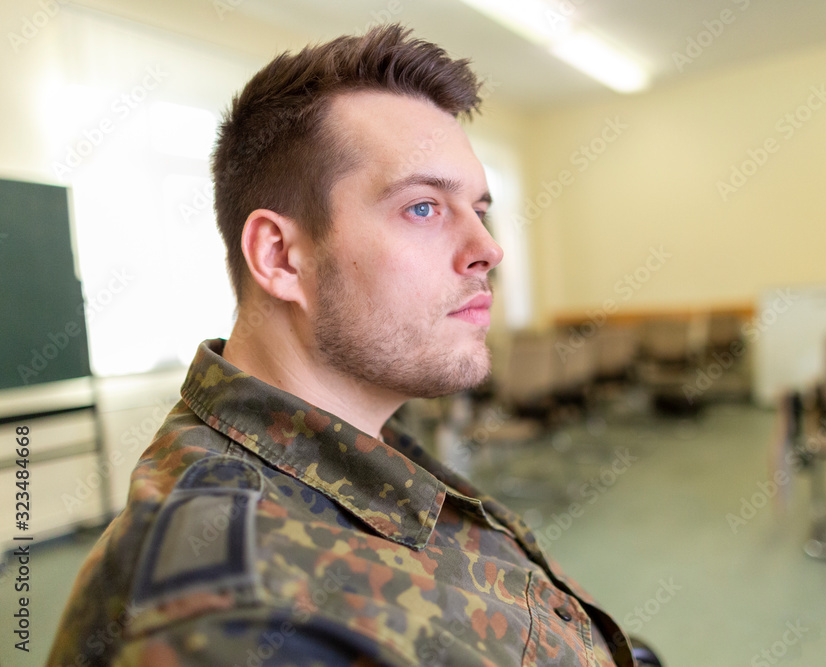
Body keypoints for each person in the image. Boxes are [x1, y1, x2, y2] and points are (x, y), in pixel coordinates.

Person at [48, 24, 643, 666]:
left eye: (478, 208)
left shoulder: (361, 441)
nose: (488, 250)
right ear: (279, 257)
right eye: (423, 208)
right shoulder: (236, 617)